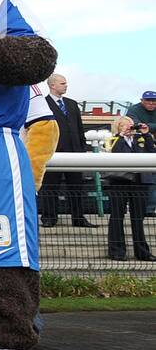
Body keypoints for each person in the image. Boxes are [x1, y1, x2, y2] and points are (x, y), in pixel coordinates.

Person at [38, 73, 96, 228]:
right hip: (53, 153)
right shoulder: (42, 104)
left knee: (76, 186)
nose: (66, 85)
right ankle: (49, 217)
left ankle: (78, 218)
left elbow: (79, 127)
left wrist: (82, 149)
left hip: (74, 152)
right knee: (50, 186)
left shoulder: (71, 104)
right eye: (63, 83)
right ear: (52, 85)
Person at [105, 116, 154, 261]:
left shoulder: (141, 140)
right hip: (119, 182)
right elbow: (112, 152)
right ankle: (117, 251)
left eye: (132, 125)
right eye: (126, 126)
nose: (130, 129)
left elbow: (152, 152)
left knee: (138, 218)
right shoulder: (113, 139)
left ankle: (142, 252)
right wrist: (121, 136)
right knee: (117, 216)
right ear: (118, 127)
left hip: (139, 182)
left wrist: (146, 134)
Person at [126, 90, 156, 212]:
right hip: (140, 146)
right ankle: (146, 210)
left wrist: (149, 127)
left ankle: (149, 209)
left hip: (151, 144)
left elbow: (145, 127)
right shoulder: (134, 109)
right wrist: (148, 128)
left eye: (154, 101)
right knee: (147, 179)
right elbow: (136, 125)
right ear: (142, 100)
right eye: (148, 101)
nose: (151, 104)